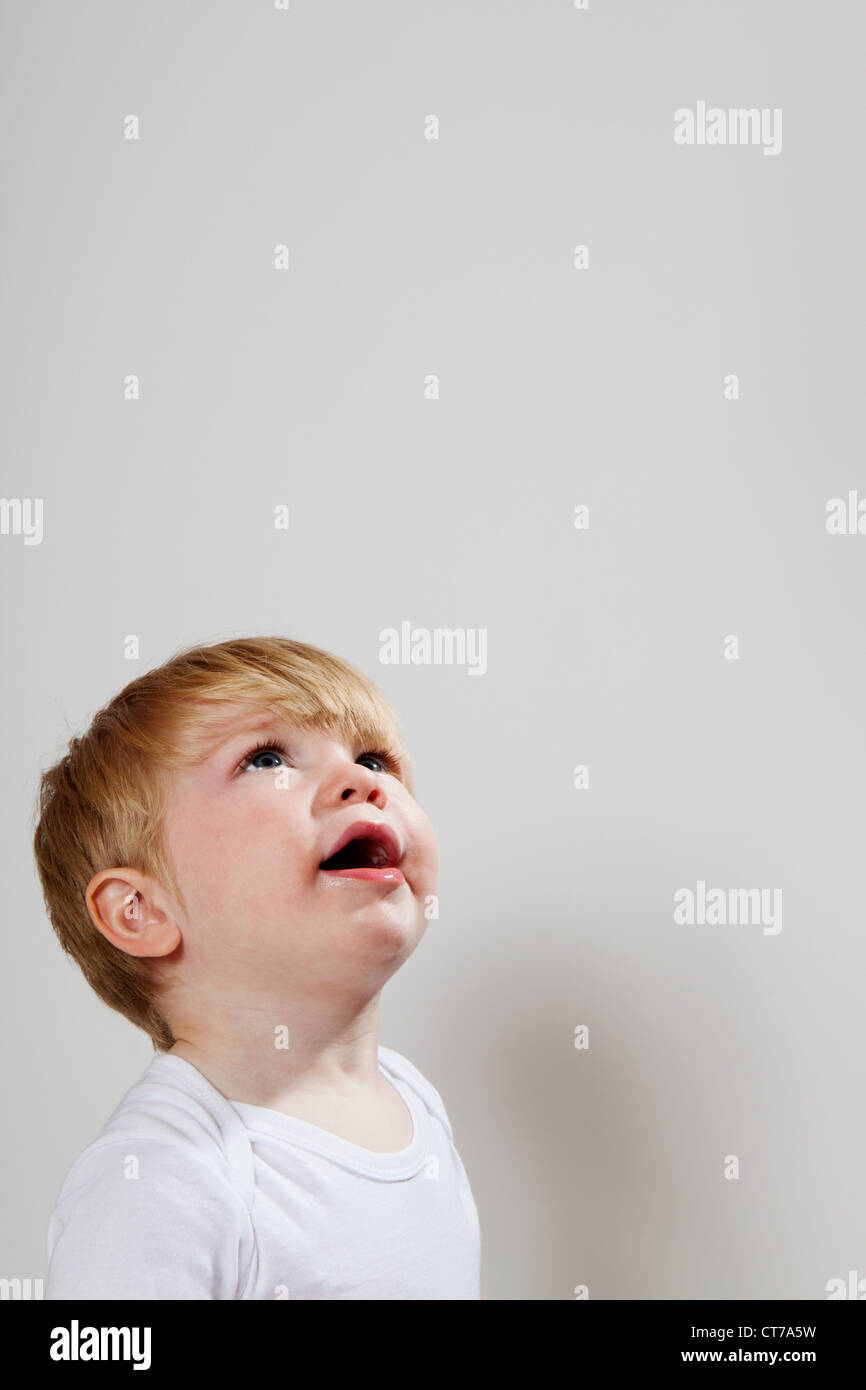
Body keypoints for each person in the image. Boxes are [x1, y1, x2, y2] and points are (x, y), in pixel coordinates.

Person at [35, 635, 481, 1299]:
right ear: (141, 911)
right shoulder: (161, 1181)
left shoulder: (413, 1099)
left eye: (374, 758)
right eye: (266, 759)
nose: (364, 783)